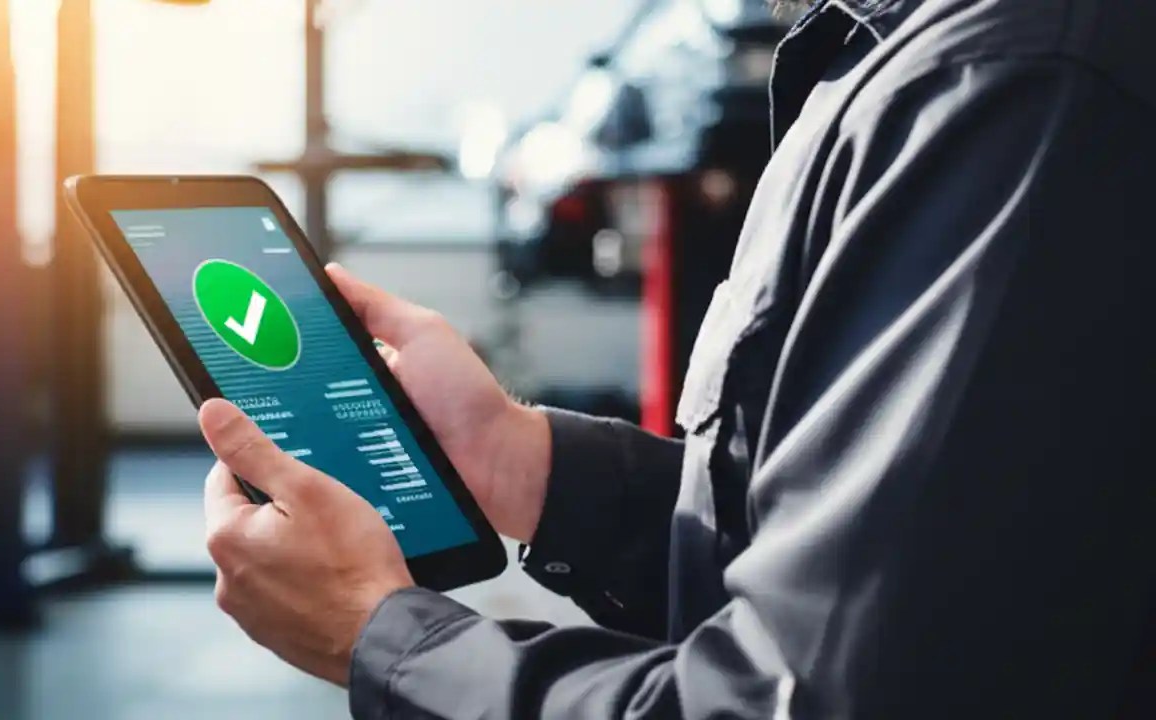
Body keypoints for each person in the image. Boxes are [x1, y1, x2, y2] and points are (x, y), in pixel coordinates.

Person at [198, 0, 1156, 716]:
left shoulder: (1011, 83)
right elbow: (893, 554)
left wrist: (388, 639)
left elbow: (803, 699)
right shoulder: (913, 60)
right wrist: (524, 463)